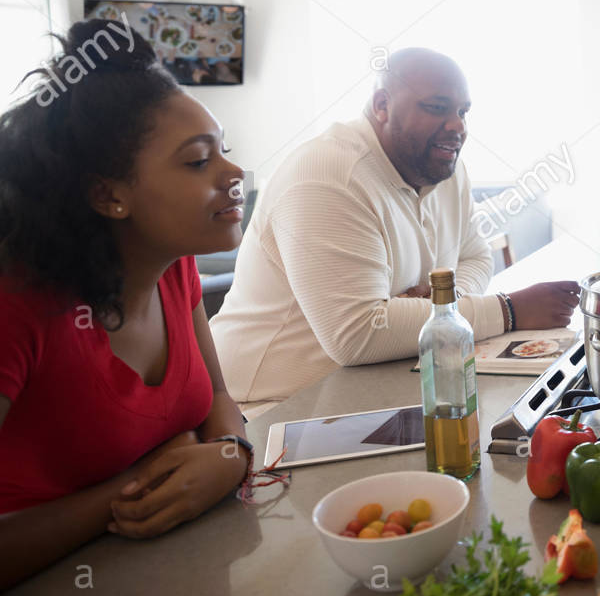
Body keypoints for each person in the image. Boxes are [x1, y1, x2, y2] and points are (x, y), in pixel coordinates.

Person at [0, 20, 254, 591]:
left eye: (225, 151)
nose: (235, 173)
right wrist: (126, 493)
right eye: (198, 161)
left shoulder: (173, 266)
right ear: (109, 194)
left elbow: (218, 399)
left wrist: (230, 454)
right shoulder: (17, 306)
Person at [210, 48, 580, 411]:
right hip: (269, 407)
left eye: (462, 111)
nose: (457, 126)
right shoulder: (327, 176)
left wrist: (446, 306)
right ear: (382, 105)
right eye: (436, 107)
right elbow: (358, 334)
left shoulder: (444, 167)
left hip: (372, 388)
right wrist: (509, 310)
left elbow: (475, 256)